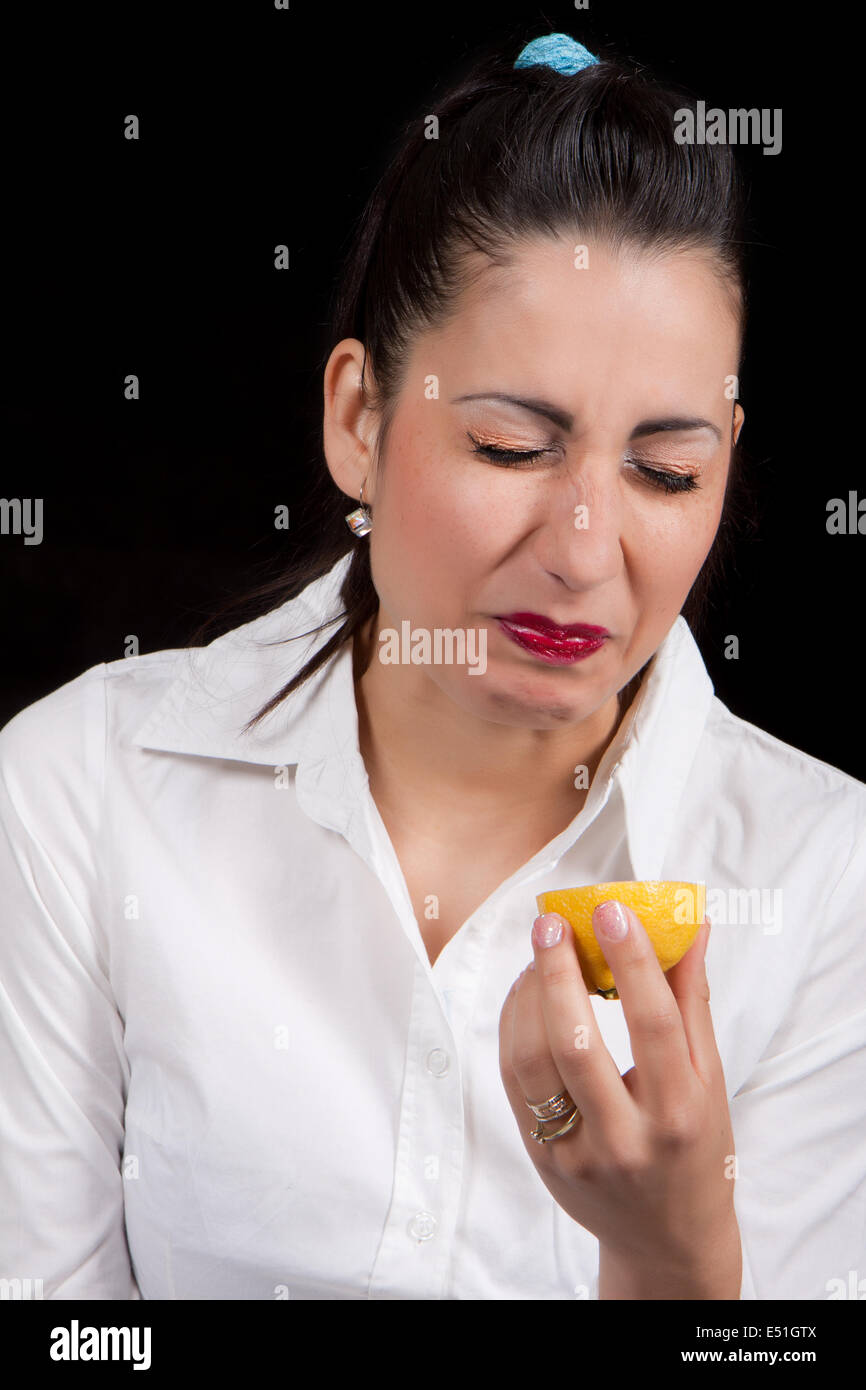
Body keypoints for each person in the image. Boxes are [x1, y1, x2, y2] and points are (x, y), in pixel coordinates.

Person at [1, 31, 864, 1302]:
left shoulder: (822, 878)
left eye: (665, 470)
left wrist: (674, 1266)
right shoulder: (80, 793)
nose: (582, 552)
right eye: (511, 446)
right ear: (359, 419)